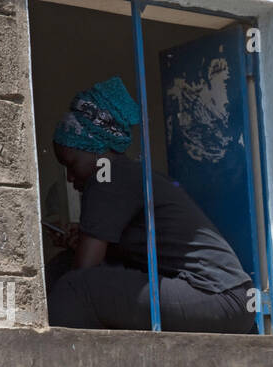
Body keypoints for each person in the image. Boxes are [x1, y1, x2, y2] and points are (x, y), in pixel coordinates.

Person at [46, 77, 255, 333]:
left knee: (75, 288)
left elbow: (85, 270)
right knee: (66, 269)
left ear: (96, 150)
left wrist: (85, 247)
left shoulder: (108, 174)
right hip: (228, 300)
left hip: (218, 296)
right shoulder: (127, 173)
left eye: (71, 164)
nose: (70, 177)